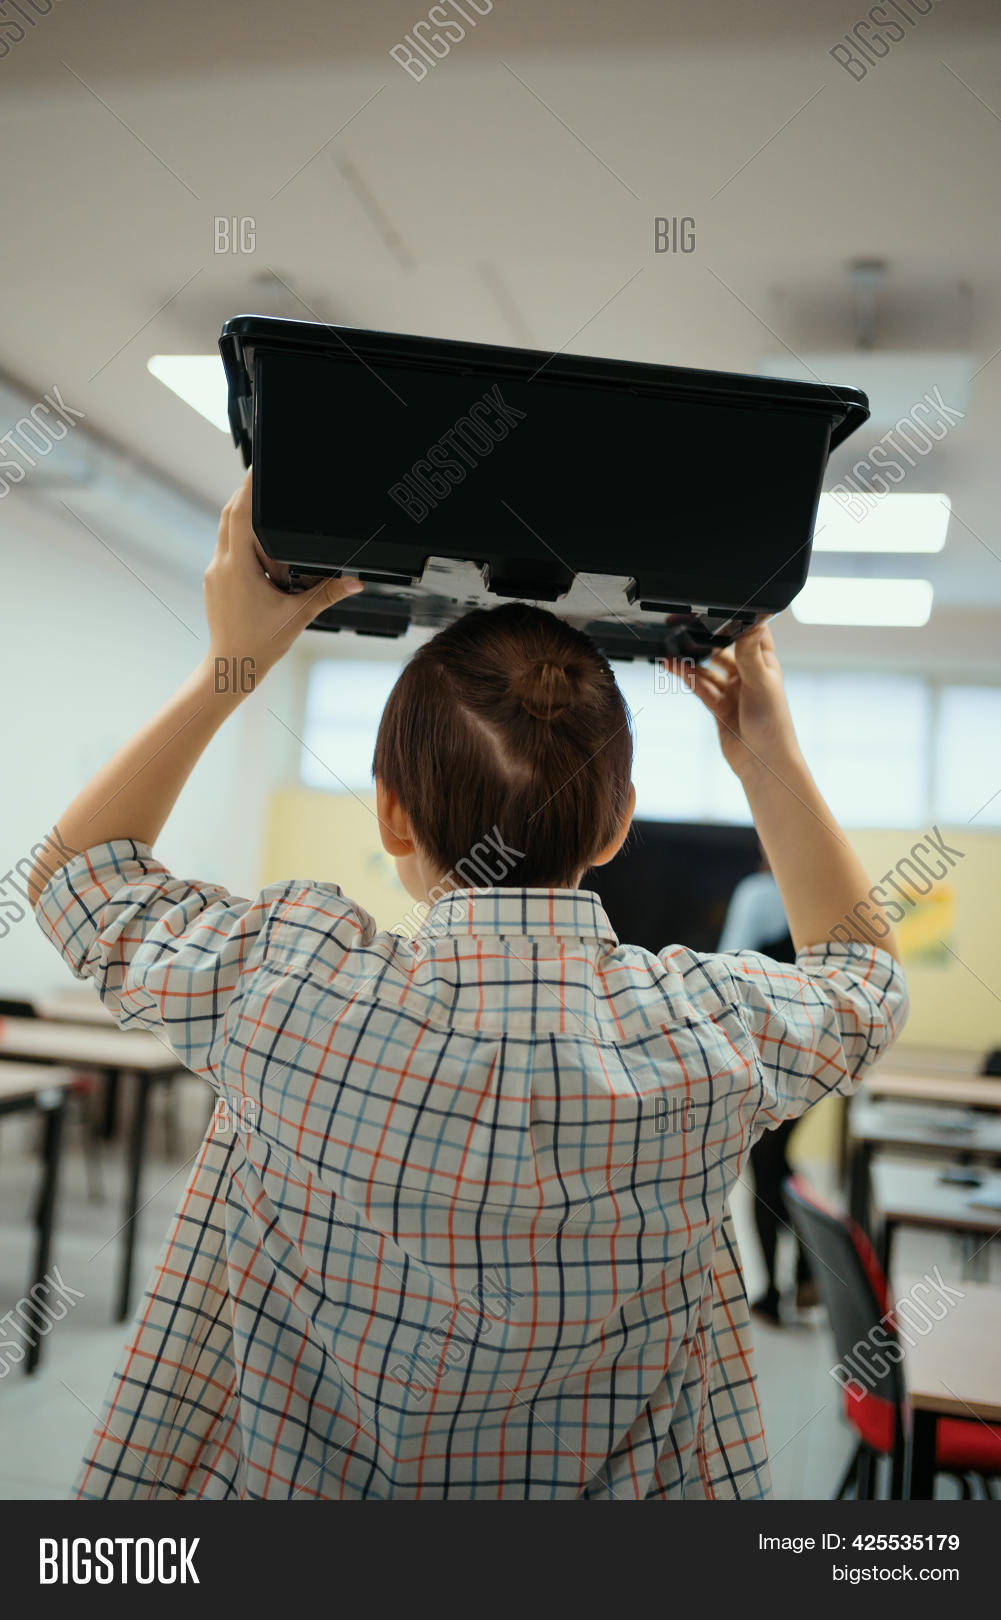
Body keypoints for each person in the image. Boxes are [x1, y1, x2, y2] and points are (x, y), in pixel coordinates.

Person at [27, 471, 907, 1500]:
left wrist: (235, 662)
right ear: (617, 824)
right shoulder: (710, 1031)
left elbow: (77, 882)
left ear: (391, 817)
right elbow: (866, 982)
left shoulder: (289, 989)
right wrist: (768, 759)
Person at [718, 857, 819, 1325]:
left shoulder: (757, 893)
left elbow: (725, 969)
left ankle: (777, 1293)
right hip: (813, 1056)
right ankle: (803, 1276)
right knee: (778, 1163)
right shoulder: (820, 901)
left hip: (766, 1058)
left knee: (765, 1167)